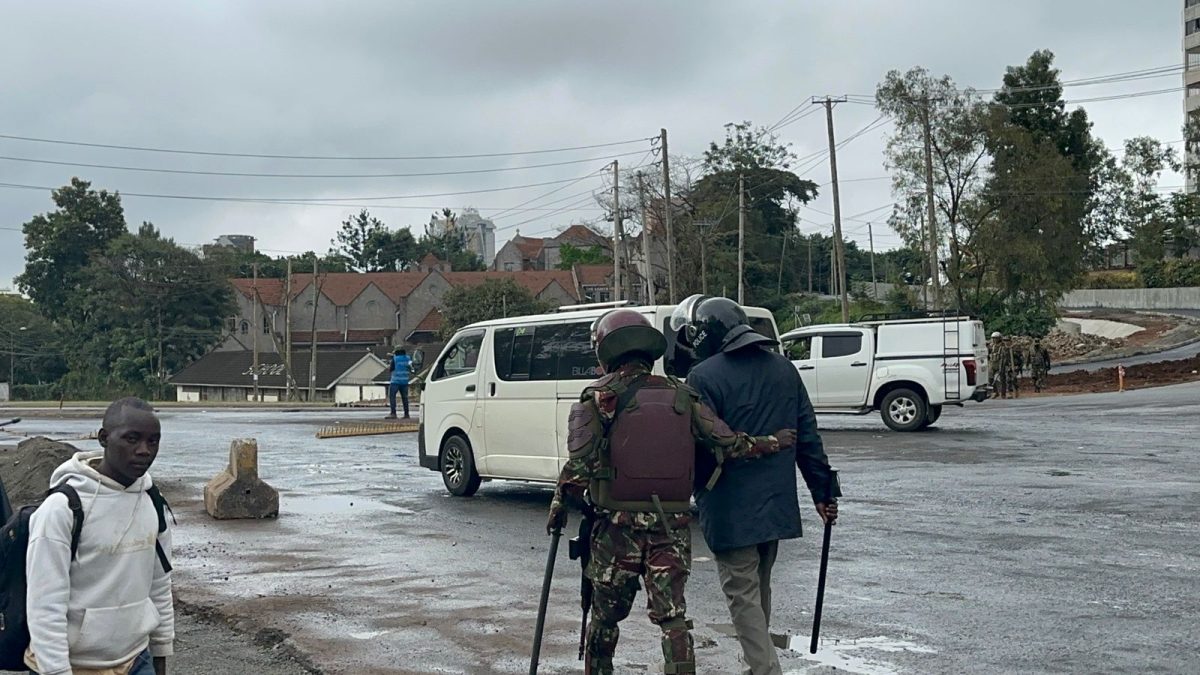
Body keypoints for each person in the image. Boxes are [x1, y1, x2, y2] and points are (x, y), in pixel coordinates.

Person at [546, 309, 796, 675]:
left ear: (606, 351)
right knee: (673, 620)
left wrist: (557, 509)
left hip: (616, 531)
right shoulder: (684, 395)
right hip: (671, 528)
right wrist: (772, 441)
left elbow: (577, 469)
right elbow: (728, 442)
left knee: (604, 617)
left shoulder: (596, 399)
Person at [673, 296, 840, 675]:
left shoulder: (702, 376)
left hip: (730, 504)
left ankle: (765, 670)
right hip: (777, 502)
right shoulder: (784, 368)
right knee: (758, 588)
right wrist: (823, 492)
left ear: (703, 334)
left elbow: (700, 442)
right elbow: (808, 437)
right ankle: (756, 664)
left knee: (742, 594)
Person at [25, 397, 173, 675]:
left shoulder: (152, 501)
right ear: (104, 438)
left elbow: (159, 583)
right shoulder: (62, 508)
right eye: (132, 439)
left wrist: (161, 652)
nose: (144, 451)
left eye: (153, 441)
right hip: (75, 665)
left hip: (136, 660)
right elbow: (45, 605)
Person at [386, 347, 413, 419]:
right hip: (405, 381)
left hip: (395, 381)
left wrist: (389, 366)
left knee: (392, 397)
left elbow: (391, 369)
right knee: (405, 398)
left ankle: (393, 413)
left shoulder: (395, 359)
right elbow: (411, 368)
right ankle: (407, 414)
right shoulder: (408, 358)